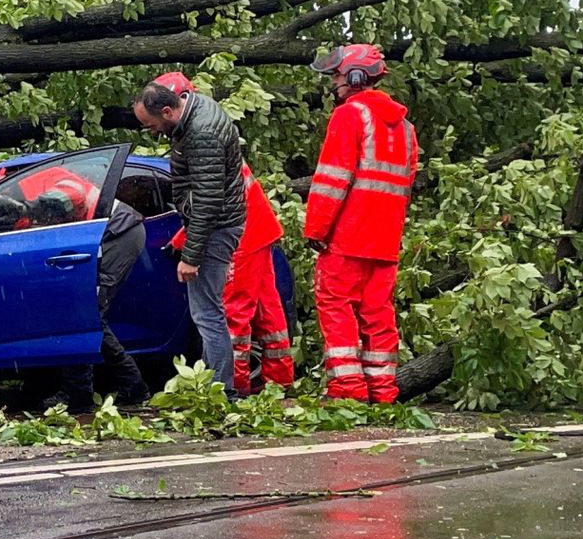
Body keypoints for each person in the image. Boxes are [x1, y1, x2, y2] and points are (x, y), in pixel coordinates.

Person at [152, 73, 294, 395]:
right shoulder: (211, 131)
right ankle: (279, 384)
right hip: (260, 231)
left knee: (231, 316)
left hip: (242, 238)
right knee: (267, 313)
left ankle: (233, 387)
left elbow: (207, 203)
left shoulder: (200, 140)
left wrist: (185, 245)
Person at [306, 44, 418, 403]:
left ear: (355, 76)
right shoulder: (405, 129)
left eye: (337, 75)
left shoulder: (349, 116)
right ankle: (383, 392)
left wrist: (316, 231)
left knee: (335, 307)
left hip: (347, 237)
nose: (334, 82)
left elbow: (331, 181)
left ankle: (348, 392)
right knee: (378, 314)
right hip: (385, 241)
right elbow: (406, 184)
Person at [132, 78, 249, 393]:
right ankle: (213, 386)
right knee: (207, 312)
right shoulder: (195, 112)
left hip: (217, 227)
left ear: (168, 111)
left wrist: (190, 257)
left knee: (208, 314)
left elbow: (209, 200)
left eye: (150, 124)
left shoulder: (201, 134)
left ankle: (222, 390)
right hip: (219, 222)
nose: (151, 130)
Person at [44, 192, 151, 412]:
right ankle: (96, 389)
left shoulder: (49, 193)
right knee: (80, 315)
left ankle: (119, 387)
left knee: (87, 317)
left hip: (119, 233)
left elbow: (70, 214)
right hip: (115, 230)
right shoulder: (41, 187)